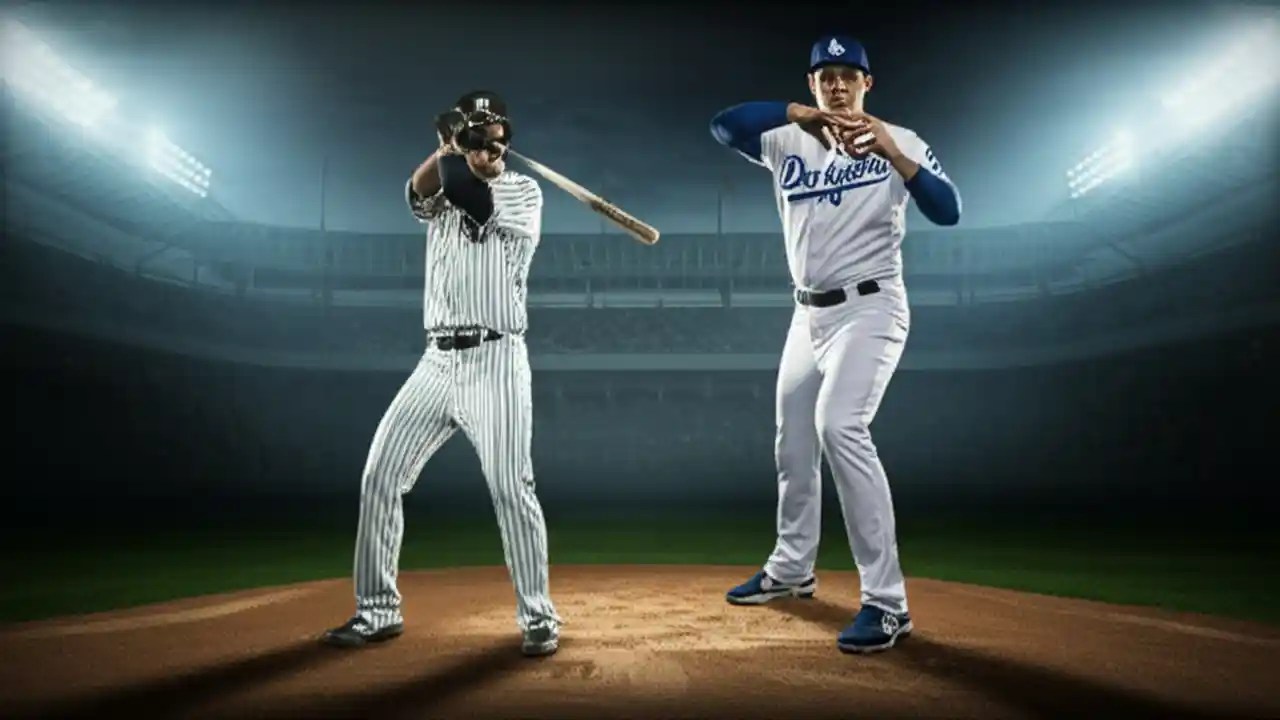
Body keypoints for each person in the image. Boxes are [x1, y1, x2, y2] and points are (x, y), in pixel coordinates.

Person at [709, 34, 961, 654]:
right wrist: (797, 113)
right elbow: (723, 126)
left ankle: (887, 601)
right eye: (827, 75)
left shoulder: (901, 139)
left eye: (850, 75)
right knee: (793, 440)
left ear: (867, 84)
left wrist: (897, 156)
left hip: (872, 307)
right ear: (813, 82)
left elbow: (948, 210)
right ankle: (792, 569)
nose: (838, 85)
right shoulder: (786, 138)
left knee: (839, 425)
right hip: (807, 317)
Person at [321, 90, 562, 657]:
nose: (483, 145)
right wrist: (447, 145)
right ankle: (376, 610)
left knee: (511, 487)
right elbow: (420, 189)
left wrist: (461, 145)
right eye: (475, 134)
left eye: (491, 132)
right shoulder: (445, 185)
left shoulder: (521, 192)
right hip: (436, 361)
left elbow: (466, 191)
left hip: (495, 361)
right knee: (380, 475)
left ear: (504, 137)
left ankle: (539, 616)